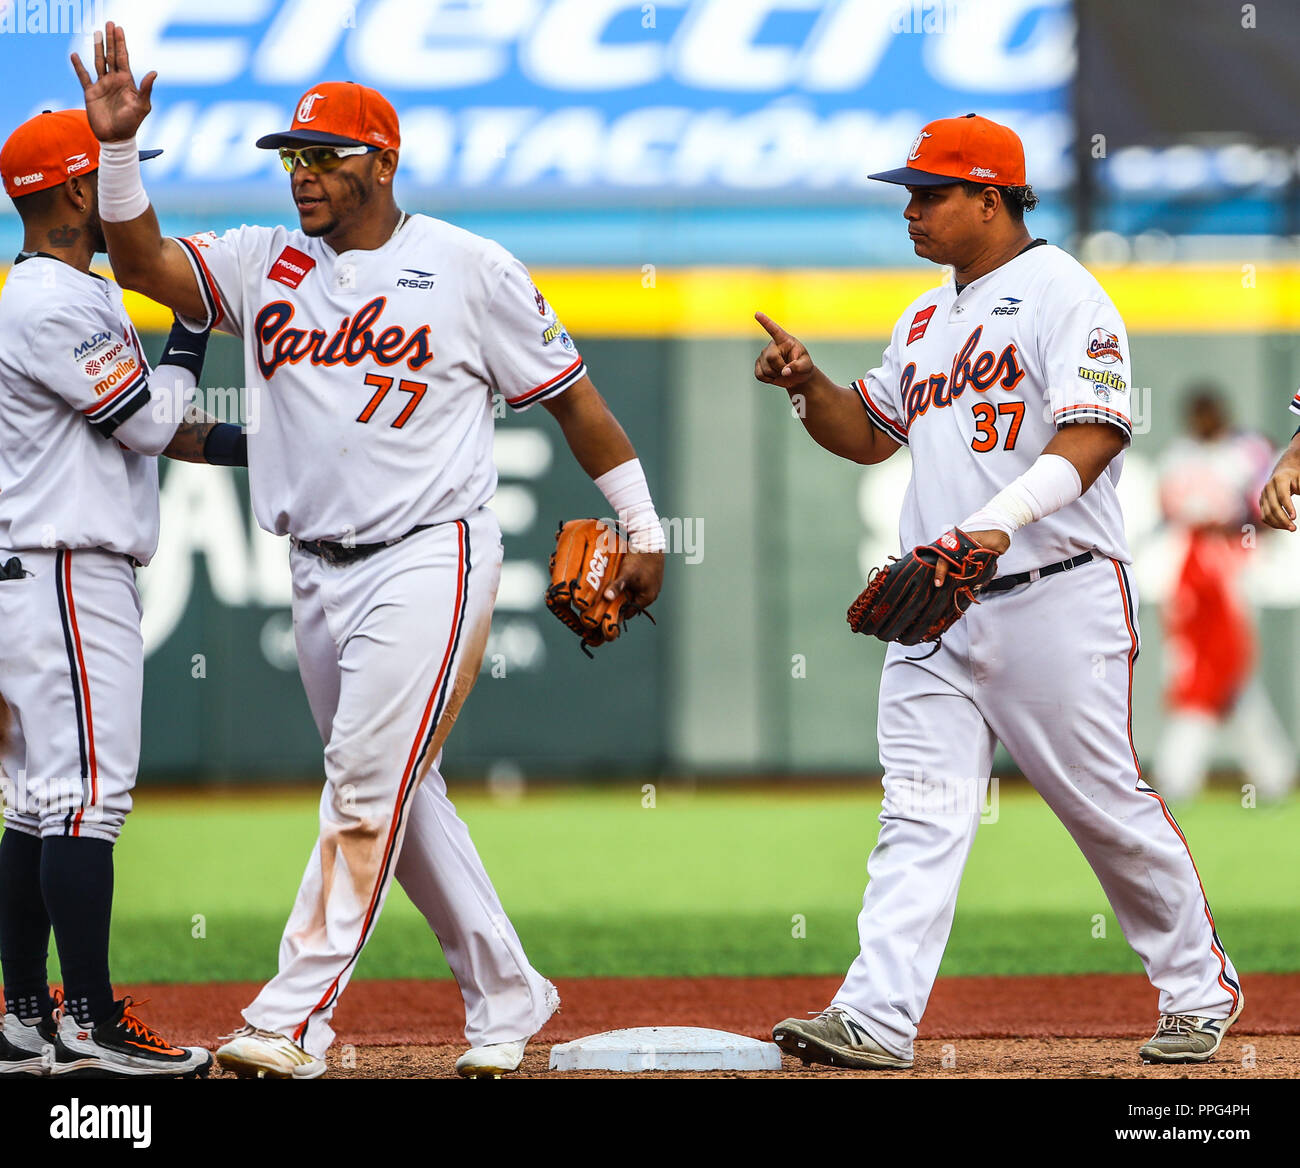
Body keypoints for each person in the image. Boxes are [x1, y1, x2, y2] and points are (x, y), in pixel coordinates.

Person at [74, 23, 665, 1079]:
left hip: (429, 553)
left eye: (325, 158)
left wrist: (646, 525)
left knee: (360, 785)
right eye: (293, 157)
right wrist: (117, 150)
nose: (303, 176)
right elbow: (141, 261)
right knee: (402, 788)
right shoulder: (263, 260)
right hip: (313, 566)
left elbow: (575, 401)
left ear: (381, 162)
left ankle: (292, 1015)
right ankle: (507, 989)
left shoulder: (467, 268)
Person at [757, 114, 1243, 1070]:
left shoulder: (1068, 295)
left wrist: (998, 522)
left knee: (1102, 803)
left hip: (1055, 594)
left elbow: (1097, 432)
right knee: (920, 813)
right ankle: (877, 1017)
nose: (913, 211)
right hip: (940, 608)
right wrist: (809, 383)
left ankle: (1196, 989)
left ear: (992, 197)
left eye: (930, 194)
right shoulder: (925, 317)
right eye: (908, 194)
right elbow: (866, 432)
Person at [0, 107, 242, 1078]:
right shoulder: (50, 300)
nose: (124, 191)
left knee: (39, 801)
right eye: (107, 175)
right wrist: (192, 323)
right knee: (86, 801)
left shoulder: (61, 290)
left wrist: (189, 333)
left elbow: (158, 426)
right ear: (67, 192)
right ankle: (93, 1020)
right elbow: (151, 425)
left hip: (48, 564)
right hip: (66, 566)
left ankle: (23, 1018)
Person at [1154, 389, 1293, 802]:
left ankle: (1181, 776)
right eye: (1197, 414)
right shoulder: (1177, 457)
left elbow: (1267, 509)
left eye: (1210, 412)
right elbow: (1170, 514)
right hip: (1190, 572)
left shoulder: (1248, 450)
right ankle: (1273, 774)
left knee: (1218, 672)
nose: (1204, 420)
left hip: (1234, 570)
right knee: (1213, 674)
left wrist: (1238, 523)